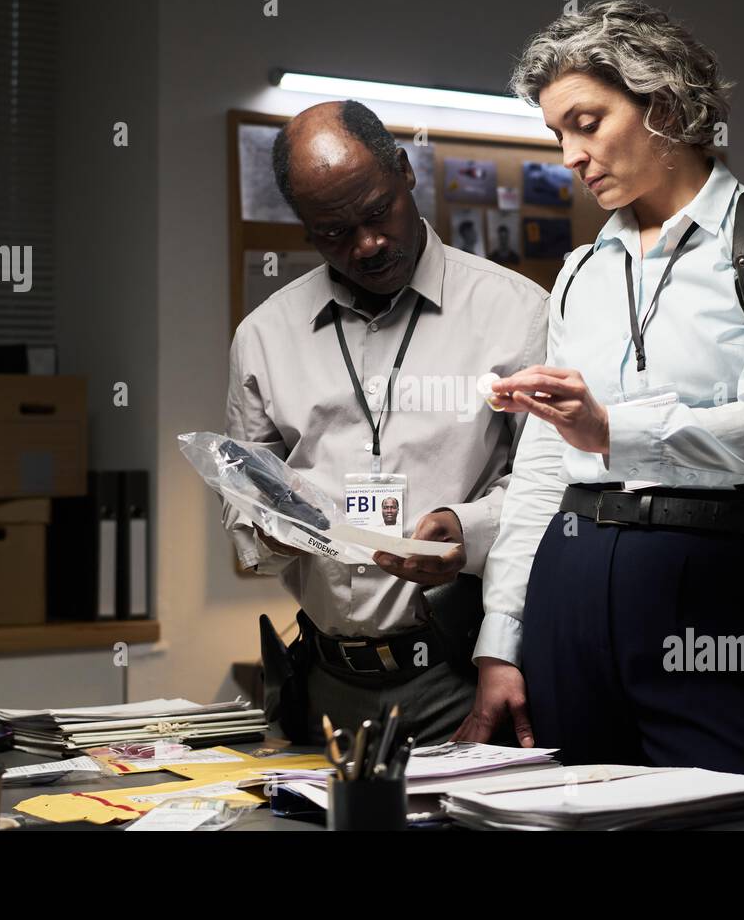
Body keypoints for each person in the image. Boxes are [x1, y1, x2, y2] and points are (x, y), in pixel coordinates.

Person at [455, 0, 744, 774]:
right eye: (556, 134)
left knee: (728, 814)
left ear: (664, 103)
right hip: (570, 579)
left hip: (712, 580)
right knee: (567, 812)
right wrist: (501, 640)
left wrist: (614, 432)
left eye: (587, 122)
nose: (569, 154)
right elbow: (540, 469)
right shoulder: (579, 273)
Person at [224, 100, 548, 745]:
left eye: (377, 213)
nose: (367, 245)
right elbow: (241, 505)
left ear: (405, 172)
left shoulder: (518, 314)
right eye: (333, 232)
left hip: (460, 671)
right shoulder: (263, 336)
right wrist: (272, 529)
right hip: (322, 680)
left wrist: (467, 528)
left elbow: (554, 488)